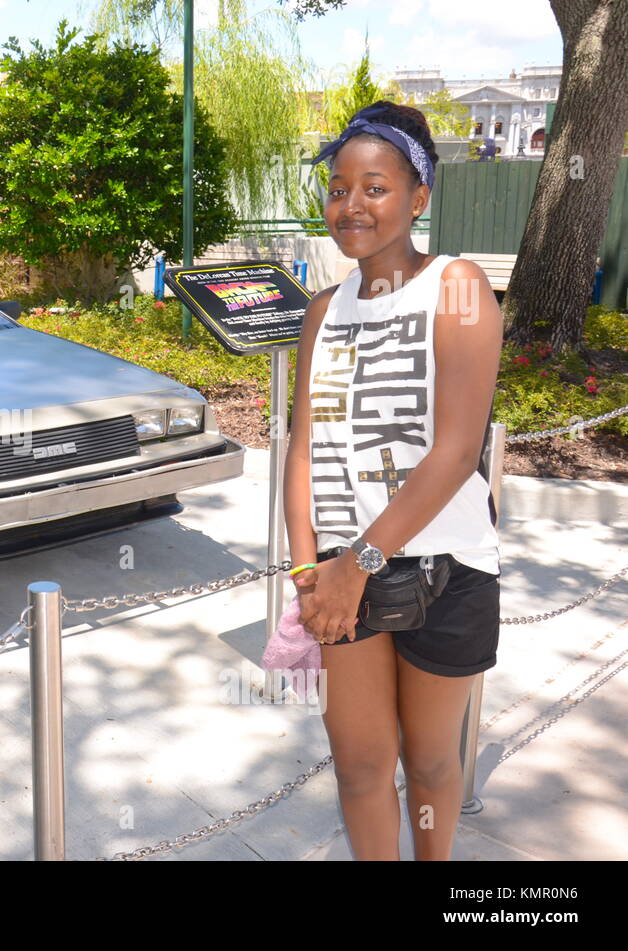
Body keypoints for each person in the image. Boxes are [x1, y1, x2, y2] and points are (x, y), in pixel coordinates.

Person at [283, 101, 503, 861]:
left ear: (418, 197)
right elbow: (304, 447)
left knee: (433, 761)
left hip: (446, 572)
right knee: (360, 760)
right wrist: (310, 566)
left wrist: (355, 564)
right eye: (338, 187)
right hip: (345, 575)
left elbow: (454, 450)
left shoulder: (458, 286)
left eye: (375, 187)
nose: (351, 205)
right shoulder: (321, 313)